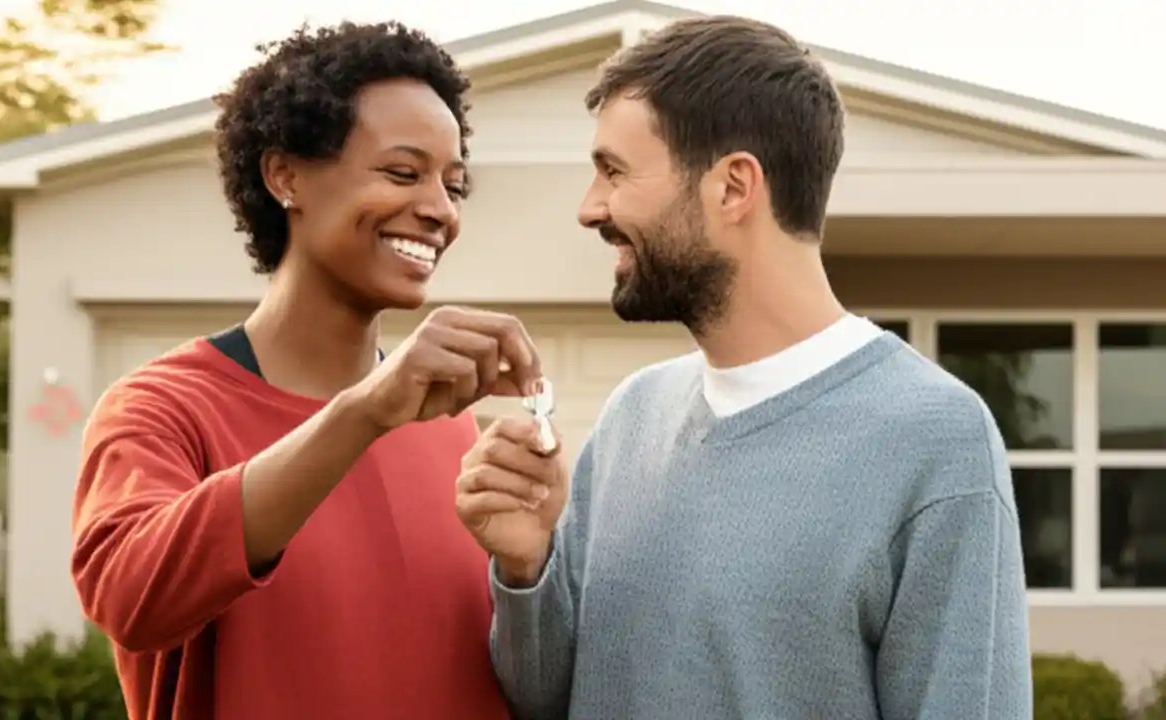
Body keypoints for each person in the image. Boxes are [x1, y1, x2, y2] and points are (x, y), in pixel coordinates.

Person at [455, 15, 1033, 720]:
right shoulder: (632, 416)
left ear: (733, 187)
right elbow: (548, 699)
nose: (590, 207)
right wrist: (525, 567)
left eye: (614, 171)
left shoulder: (936, 440)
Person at [71, 21, 539, 720]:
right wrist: (364, 412)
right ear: (285, 175)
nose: (440, 208)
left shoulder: (453, 434)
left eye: (455, 183)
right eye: (403, 173)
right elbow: (130, 599)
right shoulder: (160, 408)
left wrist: (528, 573)